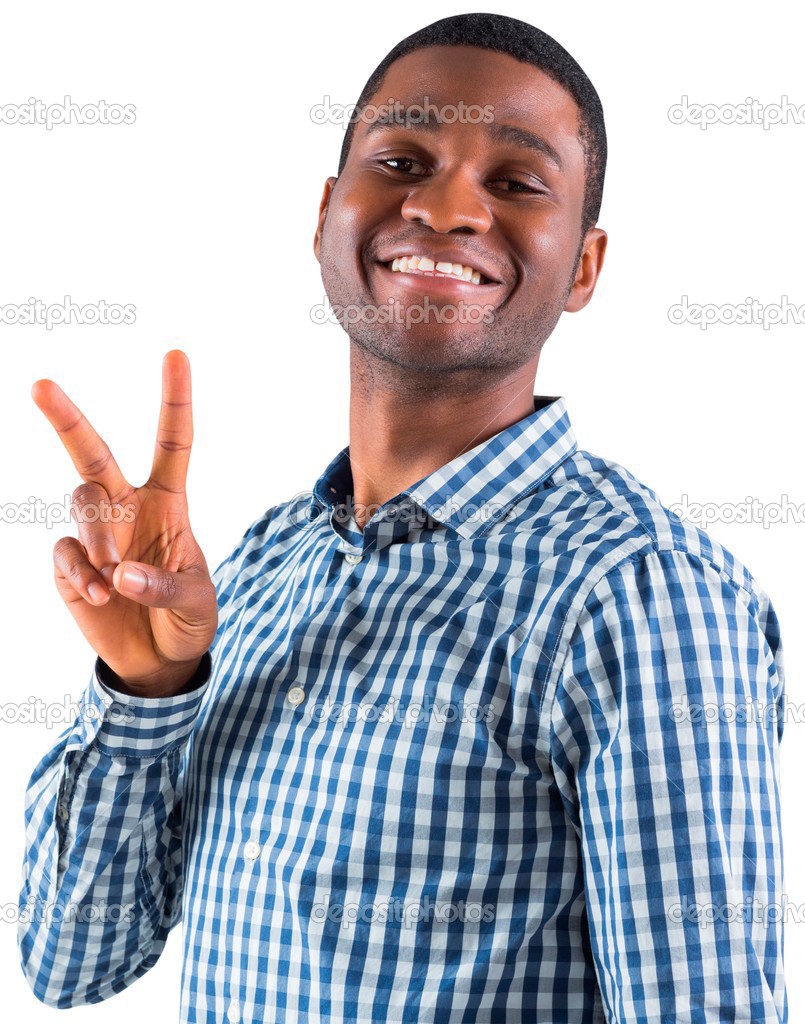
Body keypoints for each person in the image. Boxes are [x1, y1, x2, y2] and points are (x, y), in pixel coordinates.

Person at [18, 12, 787, 1023]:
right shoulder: (261, 568)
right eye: (401, 159)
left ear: (585, 268)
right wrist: (148, 688)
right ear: (328, 214)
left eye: (514, 182)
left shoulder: (640, 596)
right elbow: (71, 963)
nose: (442, 205)